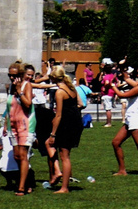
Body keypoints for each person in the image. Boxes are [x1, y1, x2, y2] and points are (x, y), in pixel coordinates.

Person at [47, 65, 83, 194]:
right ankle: (58, 173)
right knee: (63, 153)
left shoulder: (60, 92)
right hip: (75, 122)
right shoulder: (71, 88)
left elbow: (58, 115)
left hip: (66, 124)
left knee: (64, 156)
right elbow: (81, 104)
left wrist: (53, 134)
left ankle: (64, 187)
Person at [6, 61, 34, 196]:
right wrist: (5, 123)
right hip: (13, 125)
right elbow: (9, 107)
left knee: (23, 155)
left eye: (14, 75)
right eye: (9, 75)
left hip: (25, 124)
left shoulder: (26, 85)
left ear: (21, 75)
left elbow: (28, 104)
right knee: (17, 155)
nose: (11, 78)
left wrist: (19, 91)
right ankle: (26, 181)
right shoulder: (11, 86)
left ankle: (21, 187)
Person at [100, 58, 117, 127]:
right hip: (112, 93)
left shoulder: (106, 77)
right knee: (108, 108)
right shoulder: (112, 76)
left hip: (107, 94)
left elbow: (107, 83)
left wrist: (105, 88)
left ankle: (109, 123)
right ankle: (108, 122)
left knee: (108, 109)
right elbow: (117, 83)